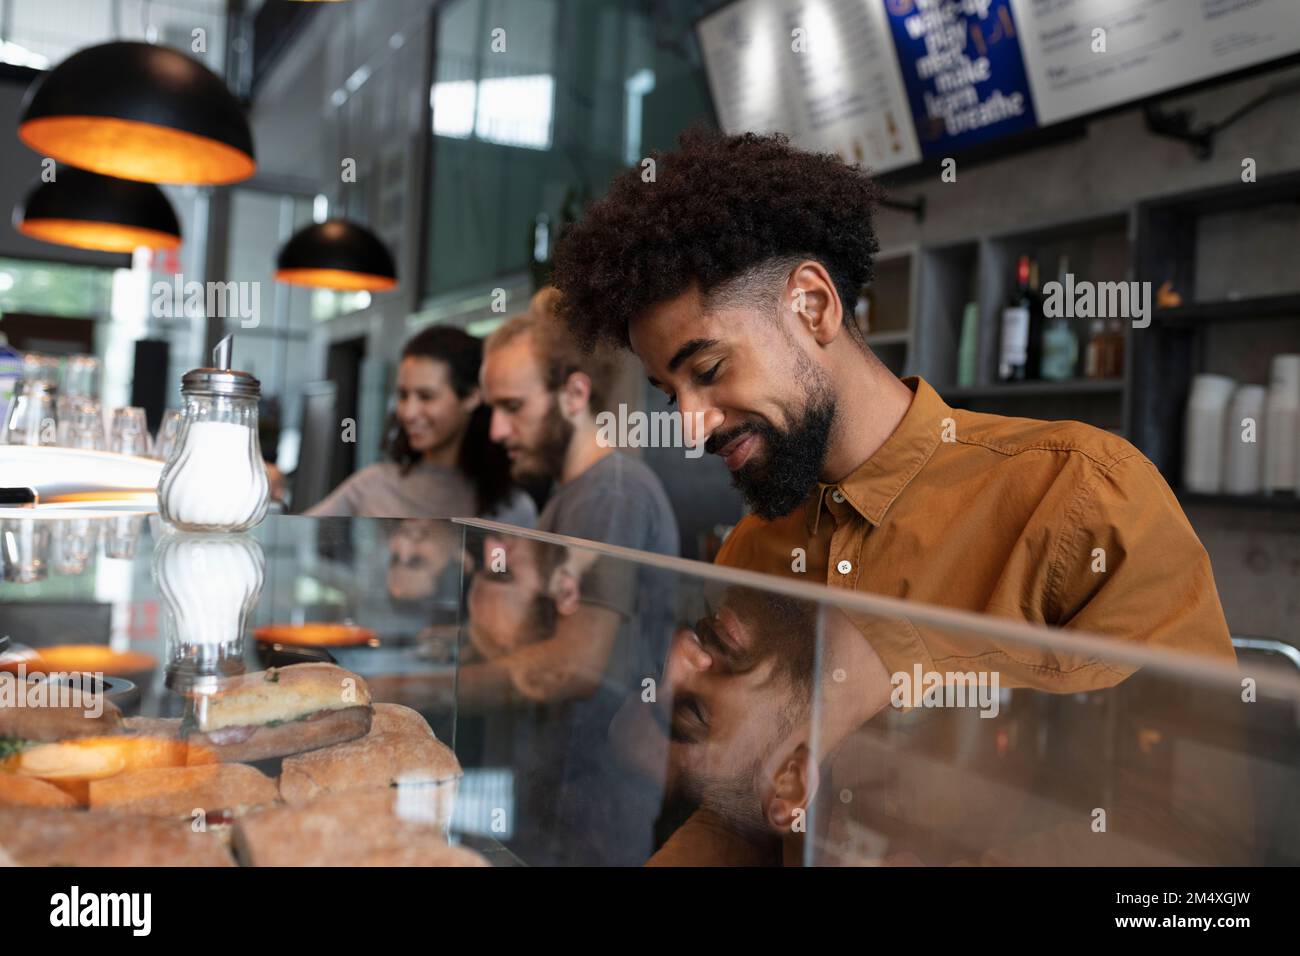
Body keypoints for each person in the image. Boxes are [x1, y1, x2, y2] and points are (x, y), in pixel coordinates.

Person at [551, 128, 1233, 663]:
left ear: (813, 306)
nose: (693, 427)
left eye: (708, 369)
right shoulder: (750, 557)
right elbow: (747, 819)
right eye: (671, 394)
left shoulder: (1079, 496)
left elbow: (1191, 793)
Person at [307, 326, 535, 525]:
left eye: (426, 396)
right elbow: (298, 537)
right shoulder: (371, 485)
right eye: (404, 395)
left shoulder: (512, 508)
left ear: (471, 397)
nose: (408, 412)